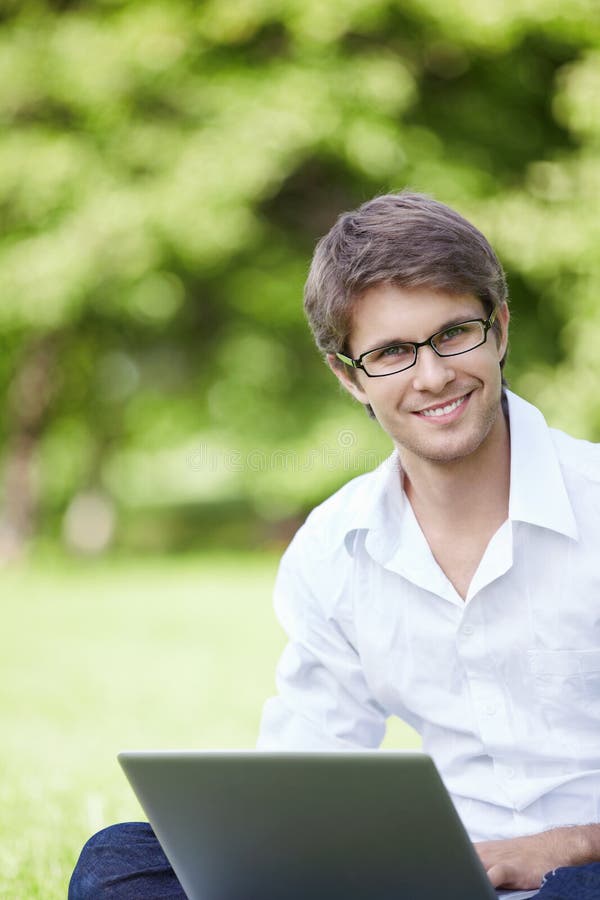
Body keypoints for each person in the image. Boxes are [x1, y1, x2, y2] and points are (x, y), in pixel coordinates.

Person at [69, 192, 600, 897]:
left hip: (585, 873)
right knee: (118, 863)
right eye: (391, 353)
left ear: (499, 330)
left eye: (454, 334)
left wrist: (566, 845)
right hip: (446, 872)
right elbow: (306, 773)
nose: (433, 375)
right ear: (348, 376)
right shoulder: (335, 547)